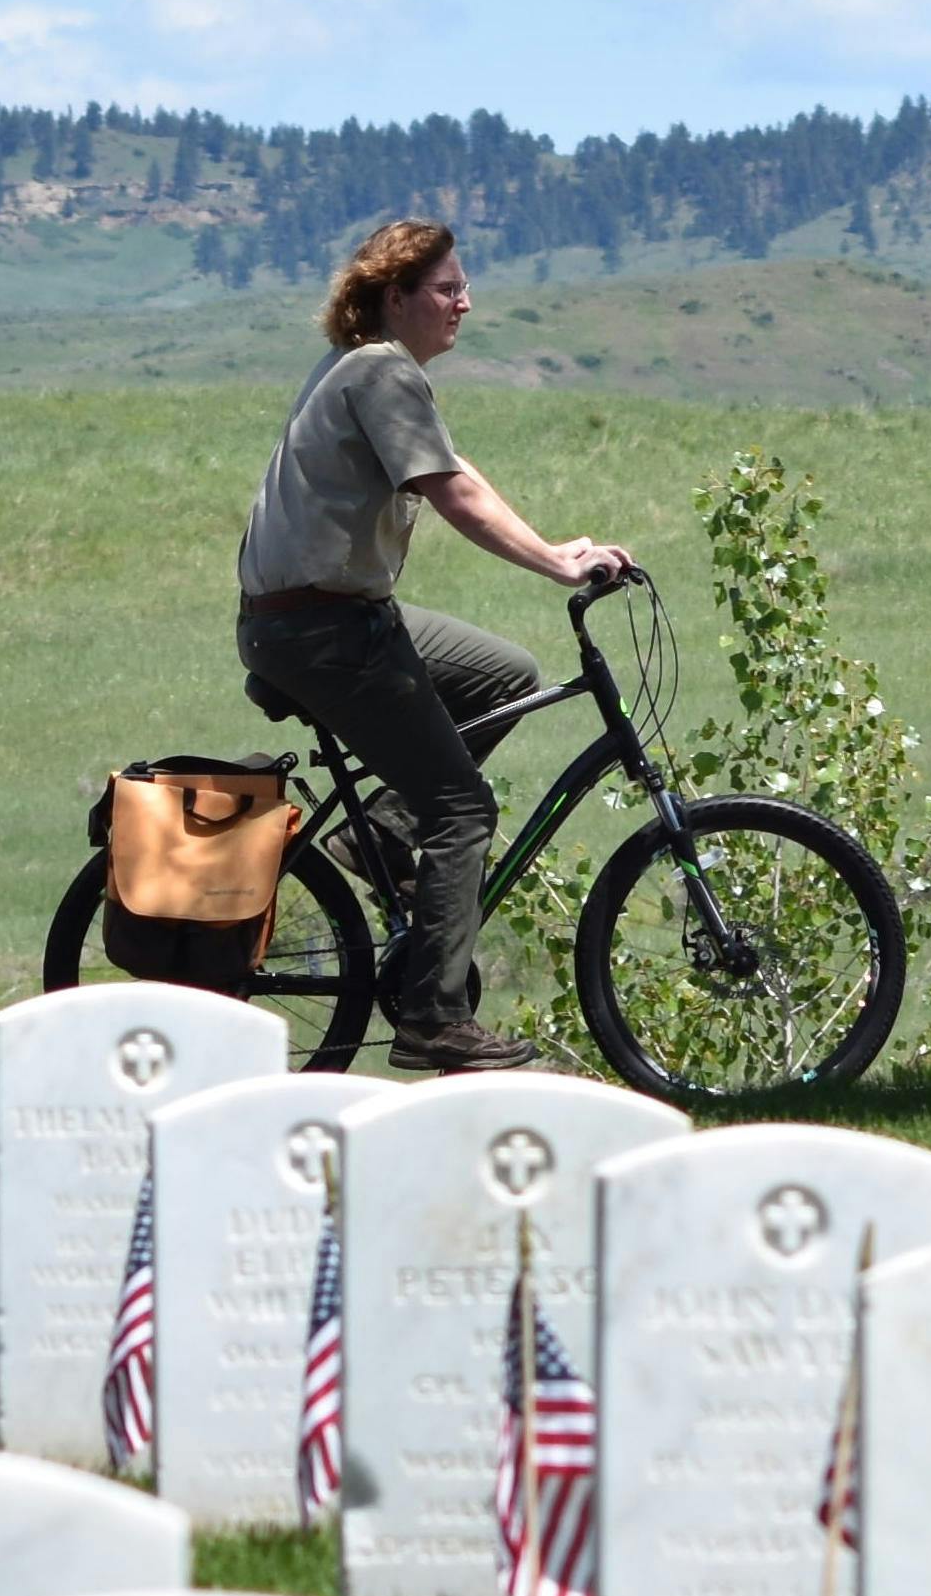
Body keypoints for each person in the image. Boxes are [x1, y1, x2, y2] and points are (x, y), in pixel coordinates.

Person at [235, 218, 633, 1076]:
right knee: (462, 809)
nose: (464, 299)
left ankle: (374, 838)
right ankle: (432, 1017)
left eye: (462, 284)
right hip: (322, 628)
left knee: (504, 674)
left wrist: (558, 549)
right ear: (392, 297)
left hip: (328, 614)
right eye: (446, 287)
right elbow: (451, 495)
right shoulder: (378, 370)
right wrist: (558, 572)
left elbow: (461, 469)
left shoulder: (376, 372)